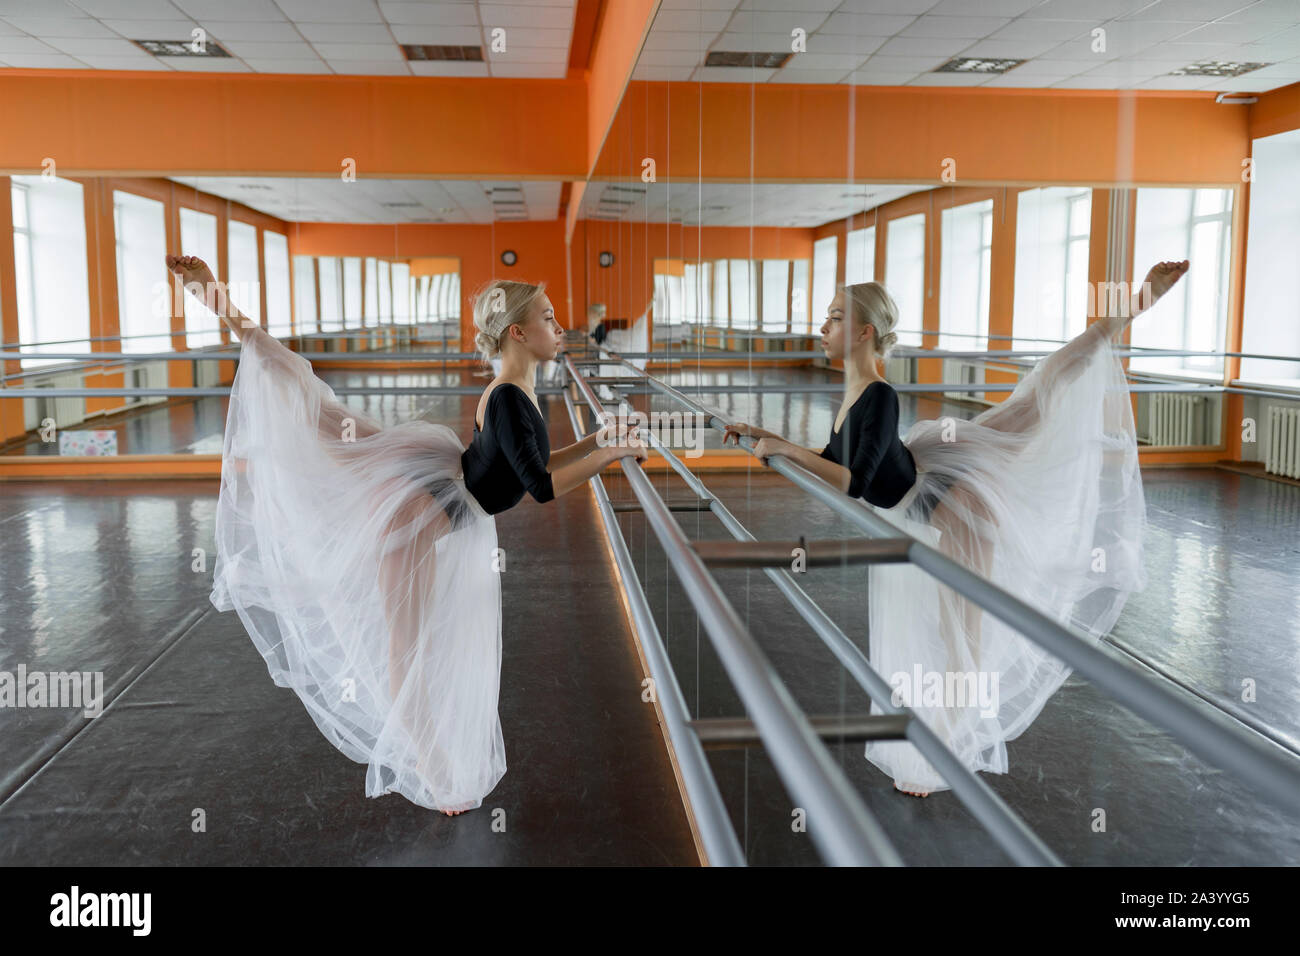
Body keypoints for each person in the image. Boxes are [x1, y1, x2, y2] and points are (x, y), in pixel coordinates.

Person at [165, 255, 646, 816]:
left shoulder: (518, 389)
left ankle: (222, 305)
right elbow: (539, 486)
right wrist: (609, 453)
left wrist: (598, 442)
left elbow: (530, 465)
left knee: (319, 410)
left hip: (442, 488)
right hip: (418, 515)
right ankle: (431, 765)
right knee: (405, 645)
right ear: (519, 331)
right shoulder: (512, 397)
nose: (560, 327)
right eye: (549, 316)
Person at [724, 261, 1190, 797]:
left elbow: (853, 483)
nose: (821, 327)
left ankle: (942, 748)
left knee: (961, 636)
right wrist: (766, 434)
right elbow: (833, 458)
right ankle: (1122, 316)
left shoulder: (879, 394)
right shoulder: (853, 394)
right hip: (924, 487)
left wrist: (783, 449)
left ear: (863, 332)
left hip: (953, 507)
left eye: (833, 317)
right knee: (1030, 405)